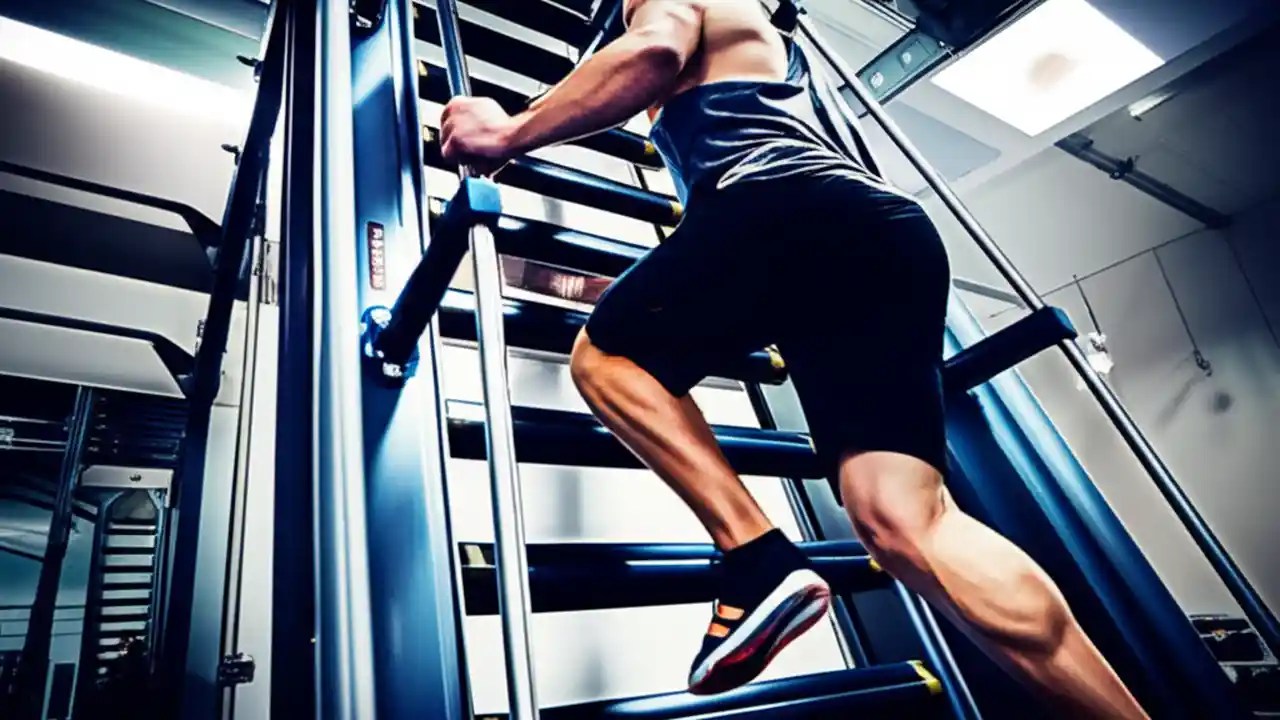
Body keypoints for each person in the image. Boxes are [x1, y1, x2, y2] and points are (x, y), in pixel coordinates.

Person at [438, 0, 1149, 715]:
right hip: (879, 235)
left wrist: (510, 130)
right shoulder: (767, 38)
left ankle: (757, 560)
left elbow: (651, 54)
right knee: (906, 524)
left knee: (609, 360)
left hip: (784, 205)